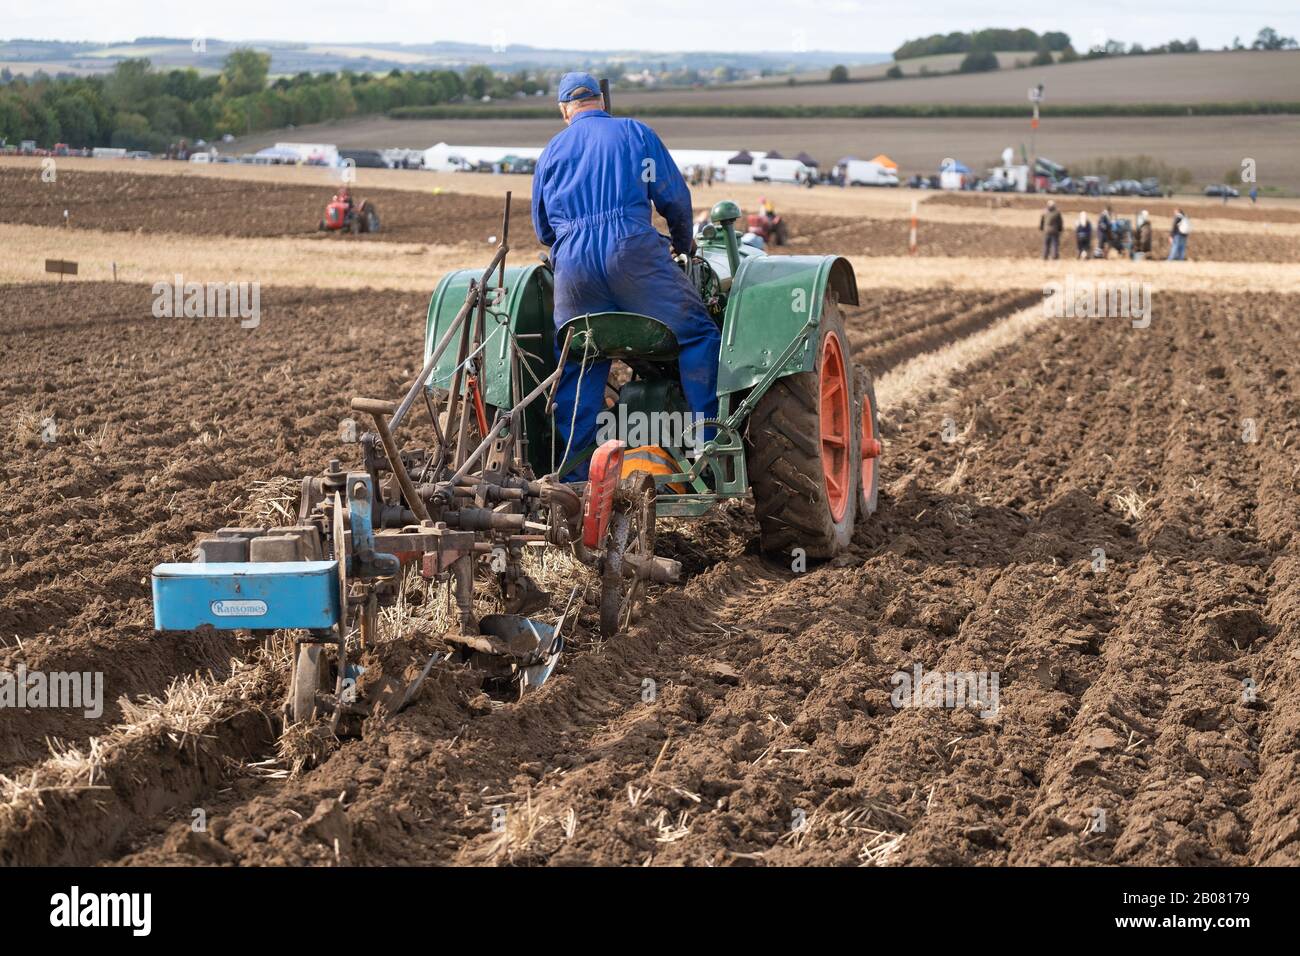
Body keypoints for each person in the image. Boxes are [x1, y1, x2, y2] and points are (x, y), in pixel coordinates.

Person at [532, 71, 721, 481]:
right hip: (631, 251)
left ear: (565, 110)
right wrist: (683, 246)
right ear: (601, 101)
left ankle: (576, 478)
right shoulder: (635, 133)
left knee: (580, 355)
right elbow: (673, 198)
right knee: (698, 333)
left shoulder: (551, 151)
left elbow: (544, 229)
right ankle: (708, 449)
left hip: (575, 268)